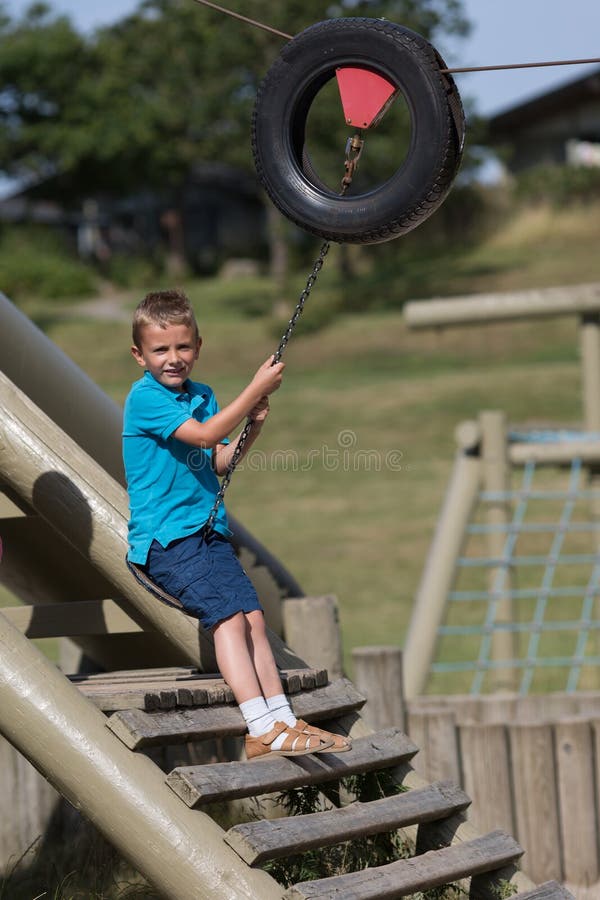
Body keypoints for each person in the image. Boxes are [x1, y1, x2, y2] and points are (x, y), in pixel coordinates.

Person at [122, 289, 350, 759]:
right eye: (160, 350)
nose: (173, 358)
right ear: (139, 355)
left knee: (253, 619)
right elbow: (204, 434)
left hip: (206, 534)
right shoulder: (144, 399)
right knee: (227, 619)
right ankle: (260, 723)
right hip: (168, 541)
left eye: (183, 347)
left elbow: (218, 459)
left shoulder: (202, 396)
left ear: (198, 347)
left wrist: (255, 426)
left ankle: (281, 722)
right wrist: (254, 391)